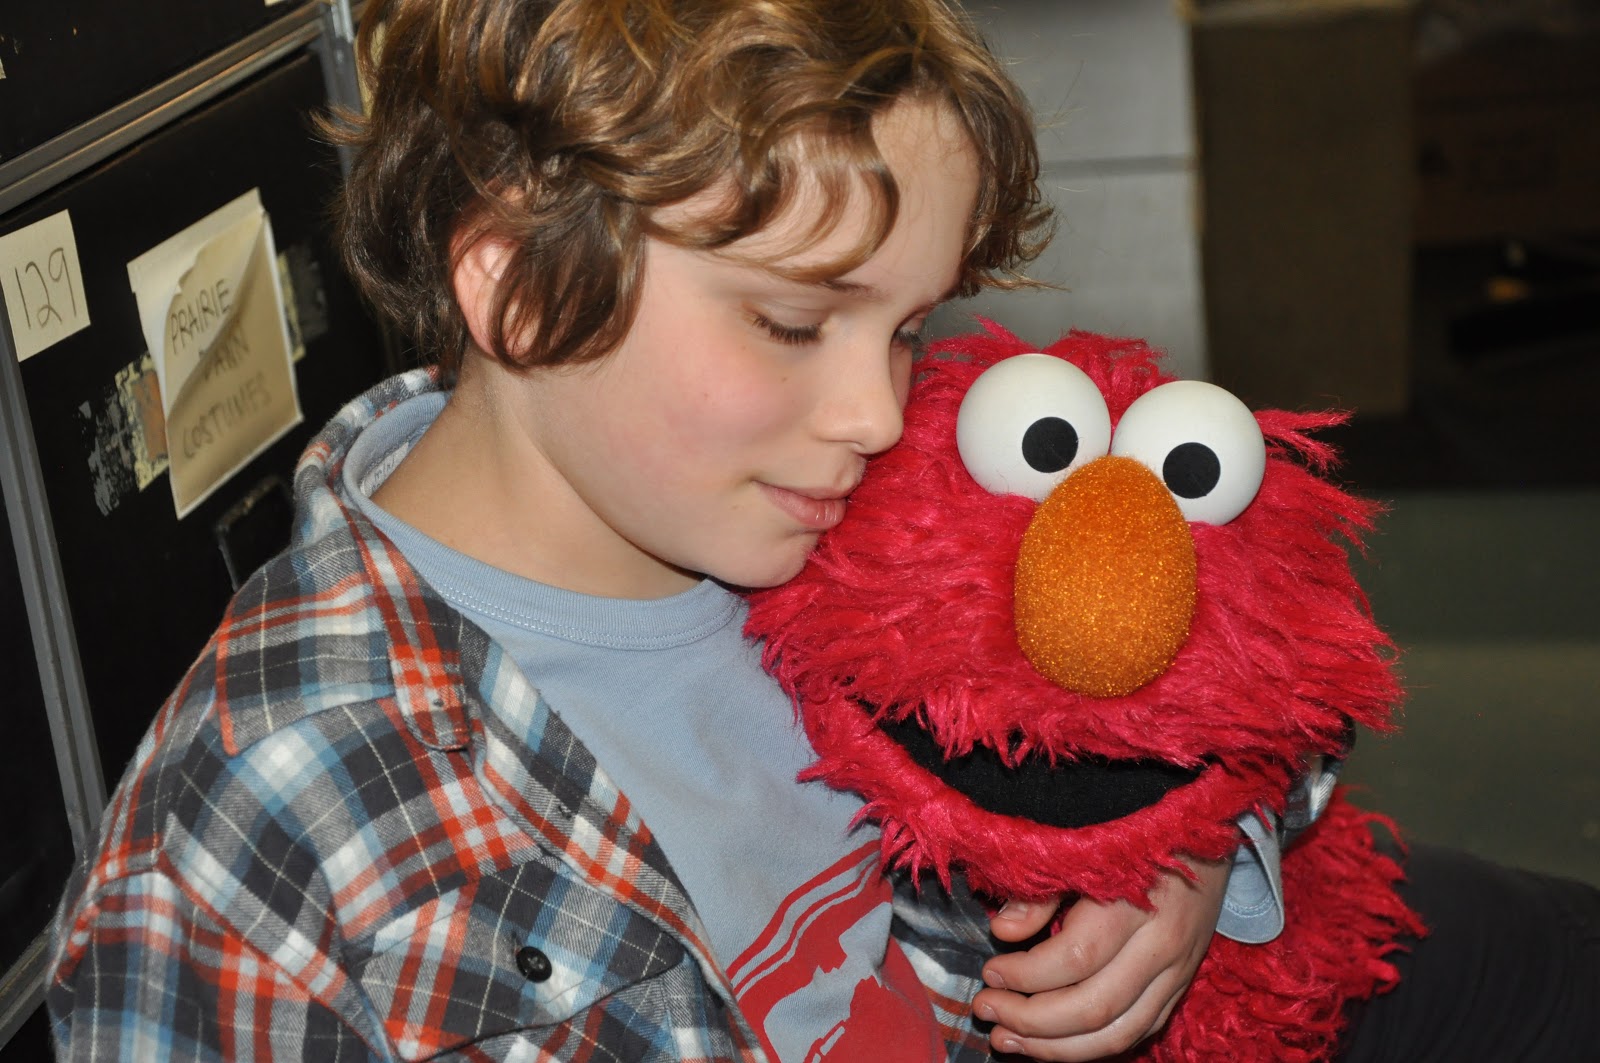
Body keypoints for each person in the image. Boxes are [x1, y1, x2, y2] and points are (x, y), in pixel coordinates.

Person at [45, 1, 1599, 1061]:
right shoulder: (261, 823)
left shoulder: (816, 483)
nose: (876, 411)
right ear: (515, 287)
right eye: (797, 323)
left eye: (912, 327)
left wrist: (1188, 852)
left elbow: (1257, 661)